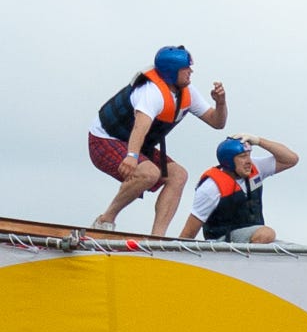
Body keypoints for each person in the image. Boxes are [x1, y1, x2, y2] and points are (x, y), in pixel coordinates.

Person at [89, 46, 227, 235]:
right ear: (172, 72)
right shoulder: (151, 92)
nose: (191, 72)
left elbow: (217, 122)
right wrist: (131, 157)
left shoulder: (187, 92)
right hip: (104, 139)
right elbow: (140, 127)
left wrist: (220, 103)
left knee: (178, 175)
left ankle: (157, 238)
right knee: (148, 173)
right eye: (186, 68)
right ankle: (105, 219)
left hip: (135, 142)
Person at [178, 135, 299, 244]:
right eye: (242, 157)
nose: (248, 161)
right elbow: (189, 232)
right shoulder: (211, 188)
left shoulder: (255, 168)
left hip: (253, 237)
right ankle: (248, 266)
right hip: (221, 243)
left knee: (293, 252)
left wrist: (258, 141)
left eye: (249, 155)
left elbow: (291, 159)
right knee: (266, 233)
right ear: (228, 162)